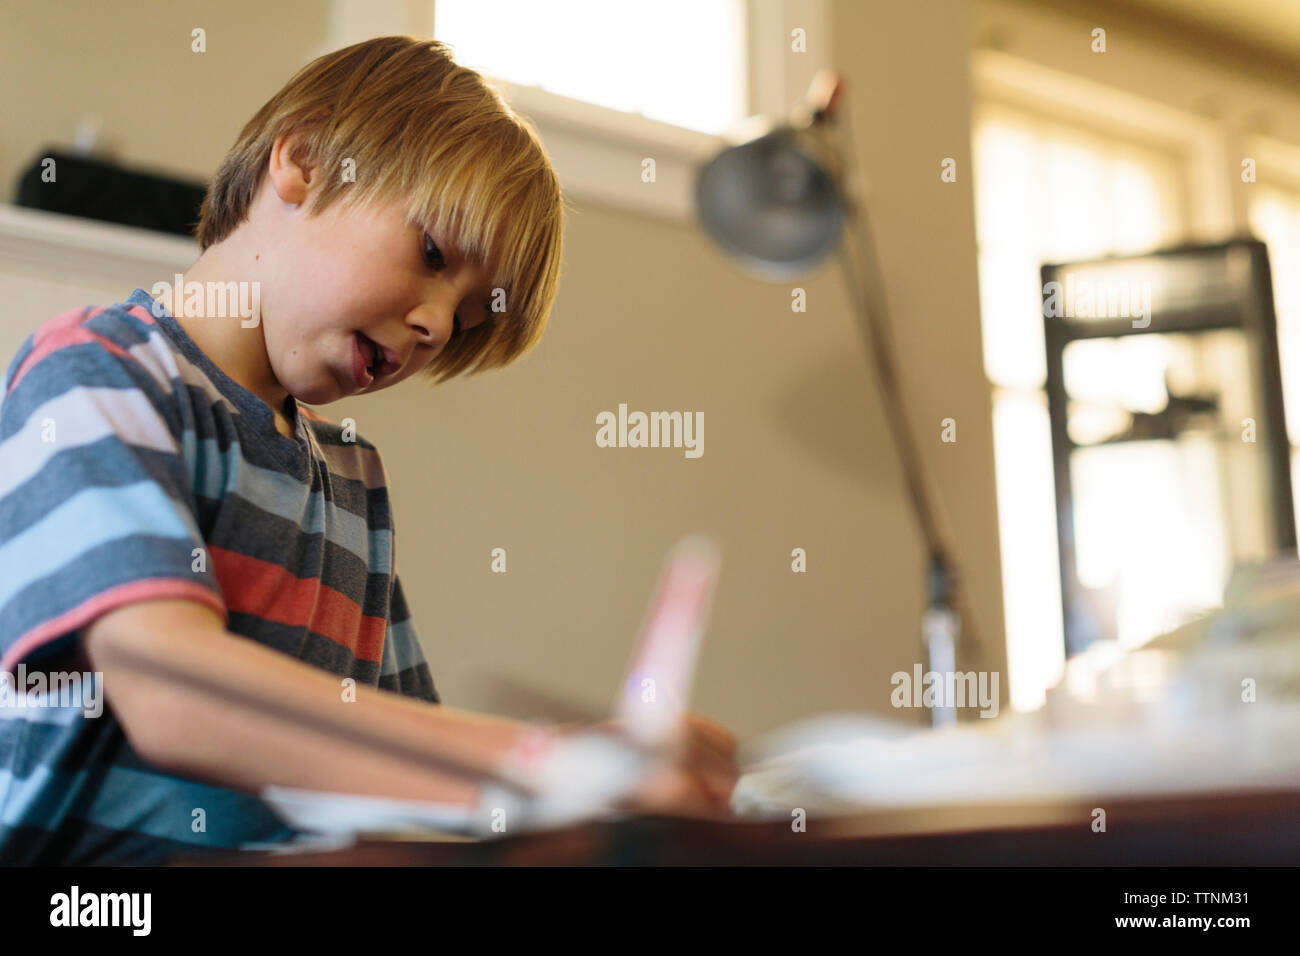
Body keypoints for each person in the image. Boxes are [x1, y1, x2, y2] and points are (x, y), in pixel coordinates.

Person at [0, 35, 737, 865]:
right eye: (431, 254)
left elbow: (406, 749)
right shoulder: (94, 376)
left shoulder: (355, 480)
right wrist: (542, 764)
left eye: (463, 321)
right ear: (305, 162)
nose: (433, 327)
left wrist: (592, 765)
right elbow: (172, 695)